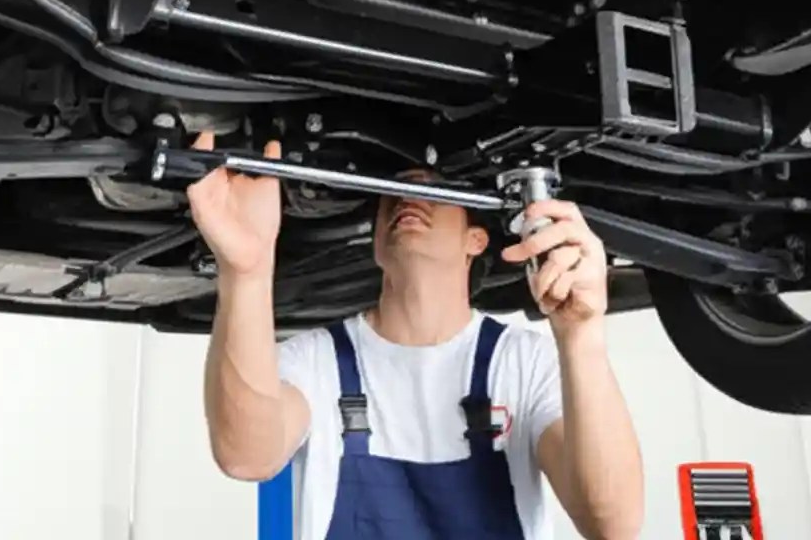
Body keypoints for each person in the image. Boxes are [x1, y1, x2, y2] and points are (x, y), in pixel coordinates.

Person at [190, 132, 644, 539]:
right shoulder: (318, 360)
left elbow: (612, 525)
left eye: (433, 186)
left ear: (476, 239)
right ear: (375, 242)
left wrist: (581, 335)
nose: (407, 197)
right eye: (398, 188)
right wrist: (245, 272)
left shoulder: (523, 363)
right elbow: (245, 456)